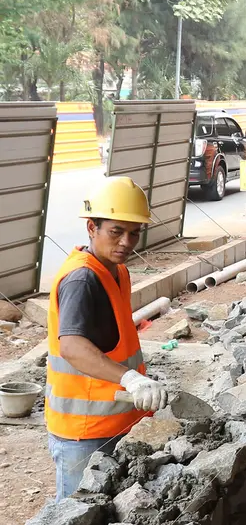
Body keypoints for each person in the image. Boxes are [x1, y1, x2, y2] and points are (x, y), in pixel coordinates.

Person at [44, 177, 170, 500]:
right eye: (116, 231)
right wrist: (129, 378)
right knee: (77, 513)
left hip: (115, 422)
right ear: (91, 227)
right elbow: (71, 346)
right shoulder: (81, 279)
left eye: (134, 233)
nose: (126, 242)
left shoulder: (117, 270)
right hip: (83, 433)